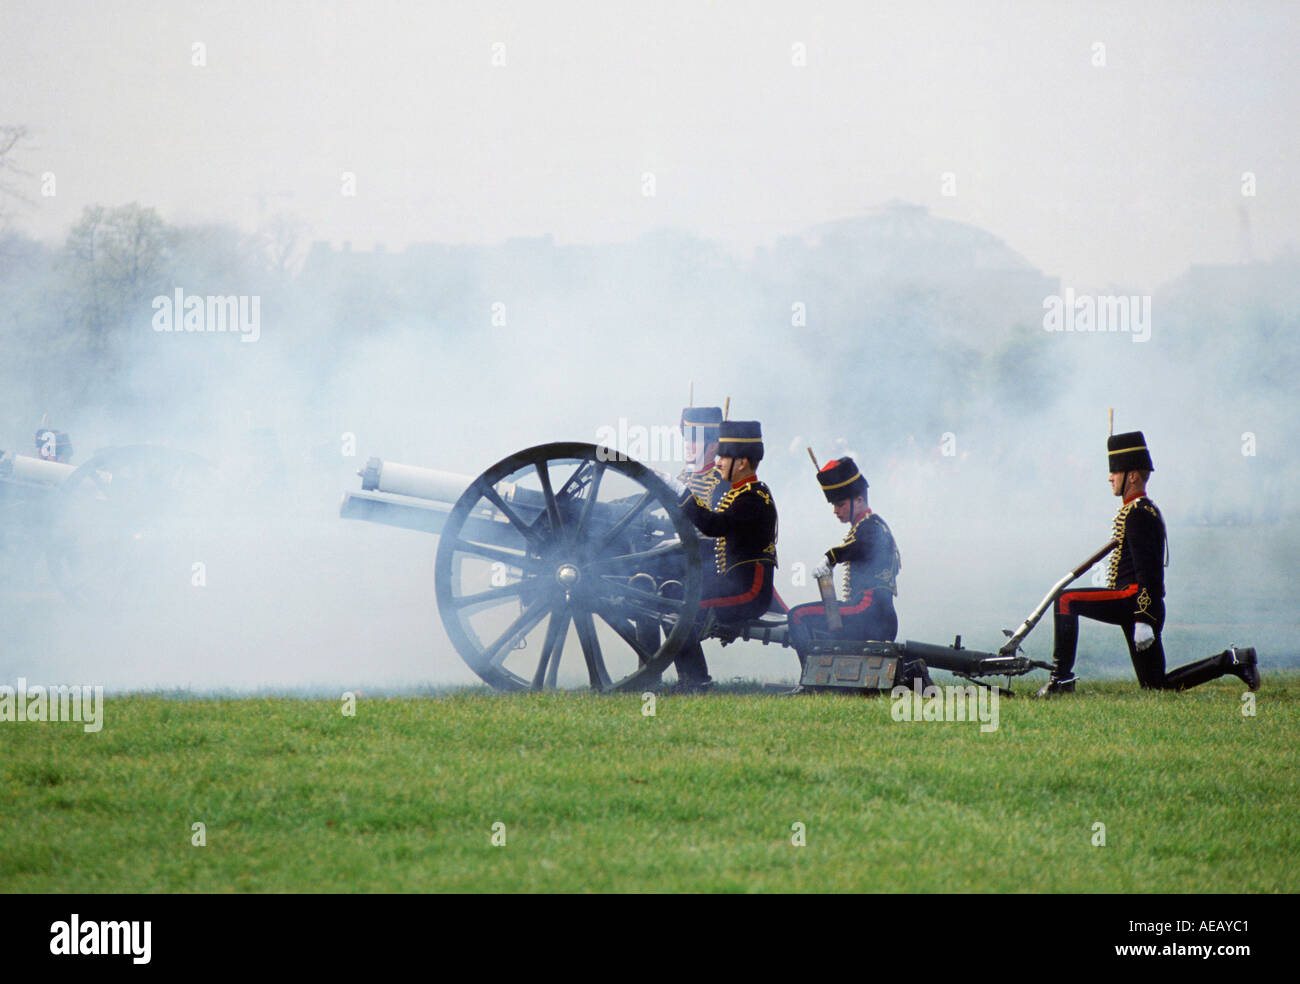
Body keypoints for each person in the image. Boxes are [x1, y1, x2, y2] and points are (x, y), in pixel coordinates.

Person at [1038, 431, 1259, 695]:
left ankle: (1060, 681)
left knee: (1065, 600)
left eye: (1115, 472)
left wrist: (1142, 618)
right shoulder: (1139, 509)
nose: (1110, 477)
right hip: (1141, 603)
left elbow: (1150, 572)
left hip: (1134, 600)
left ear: (1132, 476)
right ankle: (1233, 659)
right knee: (1156, 686)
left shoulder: (1139, 514)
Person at [671, 419, 778, 692]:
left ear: (741, 462)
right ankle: (691, 678)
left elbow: (713, 526)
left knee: (680, 604)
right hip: (733, 584)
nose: (717, 462)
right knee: (672, 595)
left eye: (723, 457)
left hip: (749, 592)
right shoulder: (738, 494)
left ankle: (695, 681)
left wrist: (681, 494)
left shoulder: (753, 497)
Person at [786, 457, 901, 666]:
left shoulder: (871, 526)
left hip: (869, 613)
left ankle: (810, 679)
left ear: (858, 500)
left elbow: (862, 546)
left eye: (840, 504)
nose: (835, 511)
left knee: (798, 615)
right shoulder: (865, 526)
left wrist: (831, 557)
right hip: (874, 616)